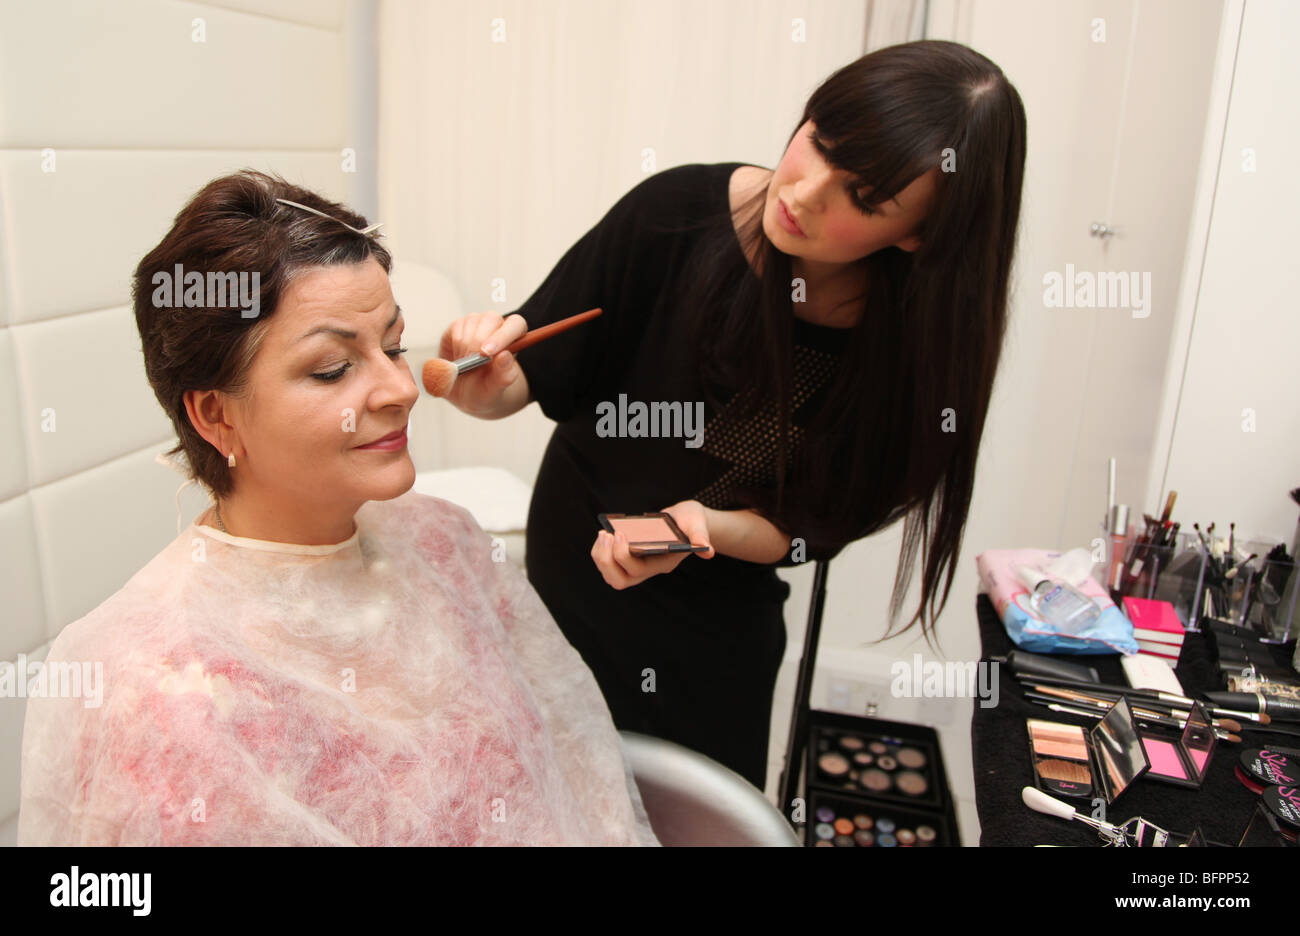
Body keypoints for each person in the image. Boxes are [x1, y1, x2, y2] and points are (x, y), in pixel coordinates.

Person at [437, 40, 1028, 792]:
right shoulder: (673, 217)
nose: (805, 192)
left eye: (863, 198)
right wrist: (482, 381)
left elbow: (806, 522)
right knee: (547, 796)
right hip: (570, 582)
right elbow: (521, 380)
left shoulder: (909, 344)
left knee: (696, 811)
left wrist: (694, 529)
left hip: (713, 627)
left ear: (917, 235)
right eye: (818, 140)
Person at [17, 171, 657, 846]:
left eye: (394, 346)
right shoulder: (149, 682)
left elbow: (581, 783)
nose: (400, 389)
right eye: (331, 369)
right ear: (215, 416)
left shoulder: (448, 543)